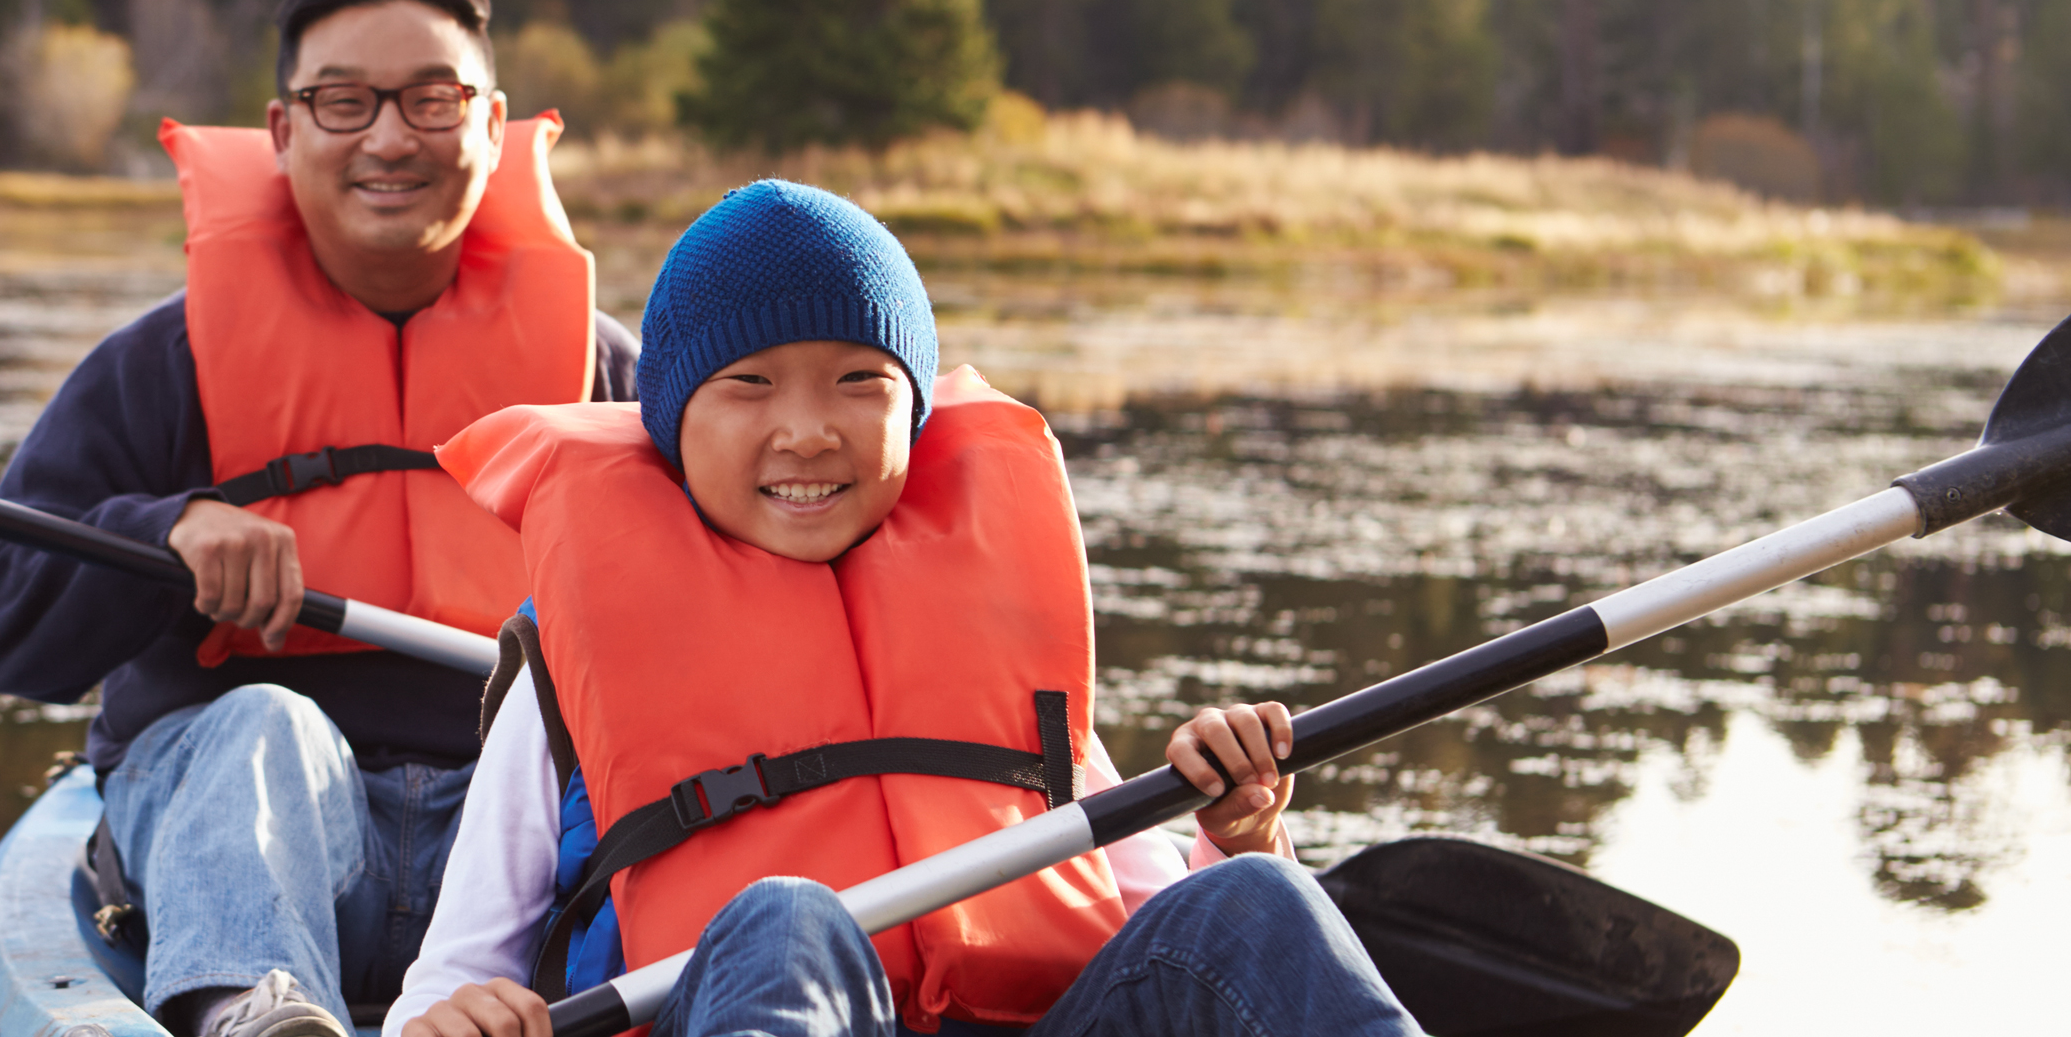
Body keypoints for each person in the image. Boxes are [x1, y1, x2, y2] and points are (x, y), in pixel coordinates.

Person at [388, 181, 1422, 1037]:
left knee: (1255, 905)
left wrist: (1237, 837)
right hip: (744, 1007)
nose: (807, 430)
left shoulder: (1000, 633)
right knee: (789, 915)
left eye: (857, 381)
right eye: (748, 383)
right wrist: (455, 1020)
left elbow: (1153, 921)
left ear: (914, 413)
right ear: (670, 420)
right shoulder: (578, 667)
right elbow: (443, 985)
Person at [0, 0, 636, 1037]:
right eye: (343, 102)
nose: (388, 138)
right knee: (267, 719)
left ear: (493, 124)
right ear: (283, 128)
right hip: (254, 818)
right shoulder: (159, 368)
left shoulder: (609, 384)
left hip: (499, 848)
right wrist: (164, 535)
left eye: (430, 100)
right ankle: (253, 1012)